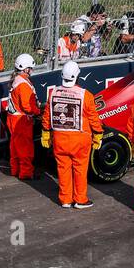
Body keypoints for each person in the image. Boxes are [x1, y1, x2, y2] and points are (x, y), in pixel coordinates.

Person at [40, 60, 103, 208]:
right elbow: (94, 118)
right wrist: (98, 134)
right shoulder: (85, 95)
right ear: (77, 76)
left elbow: (47, 116)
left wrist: (45, 133)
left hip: (59, 139)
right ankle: (80, 200)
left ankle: (65, 200)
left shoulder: (54, 92)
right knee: (80, 169)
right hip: (80, 140)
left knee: (63, 169)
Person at [6, 54, 41, 179]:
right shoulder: (23, 84)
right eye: (31, 68)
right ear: (26, 69)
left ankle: (15, 170)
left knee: (15, 146)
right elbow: (27, 106)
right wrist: (38, 111)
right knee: (25, 147)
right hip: (21, 120)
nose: (32, 71)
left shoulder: (16, 80)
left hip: (12, 117)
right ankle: (26, 173)